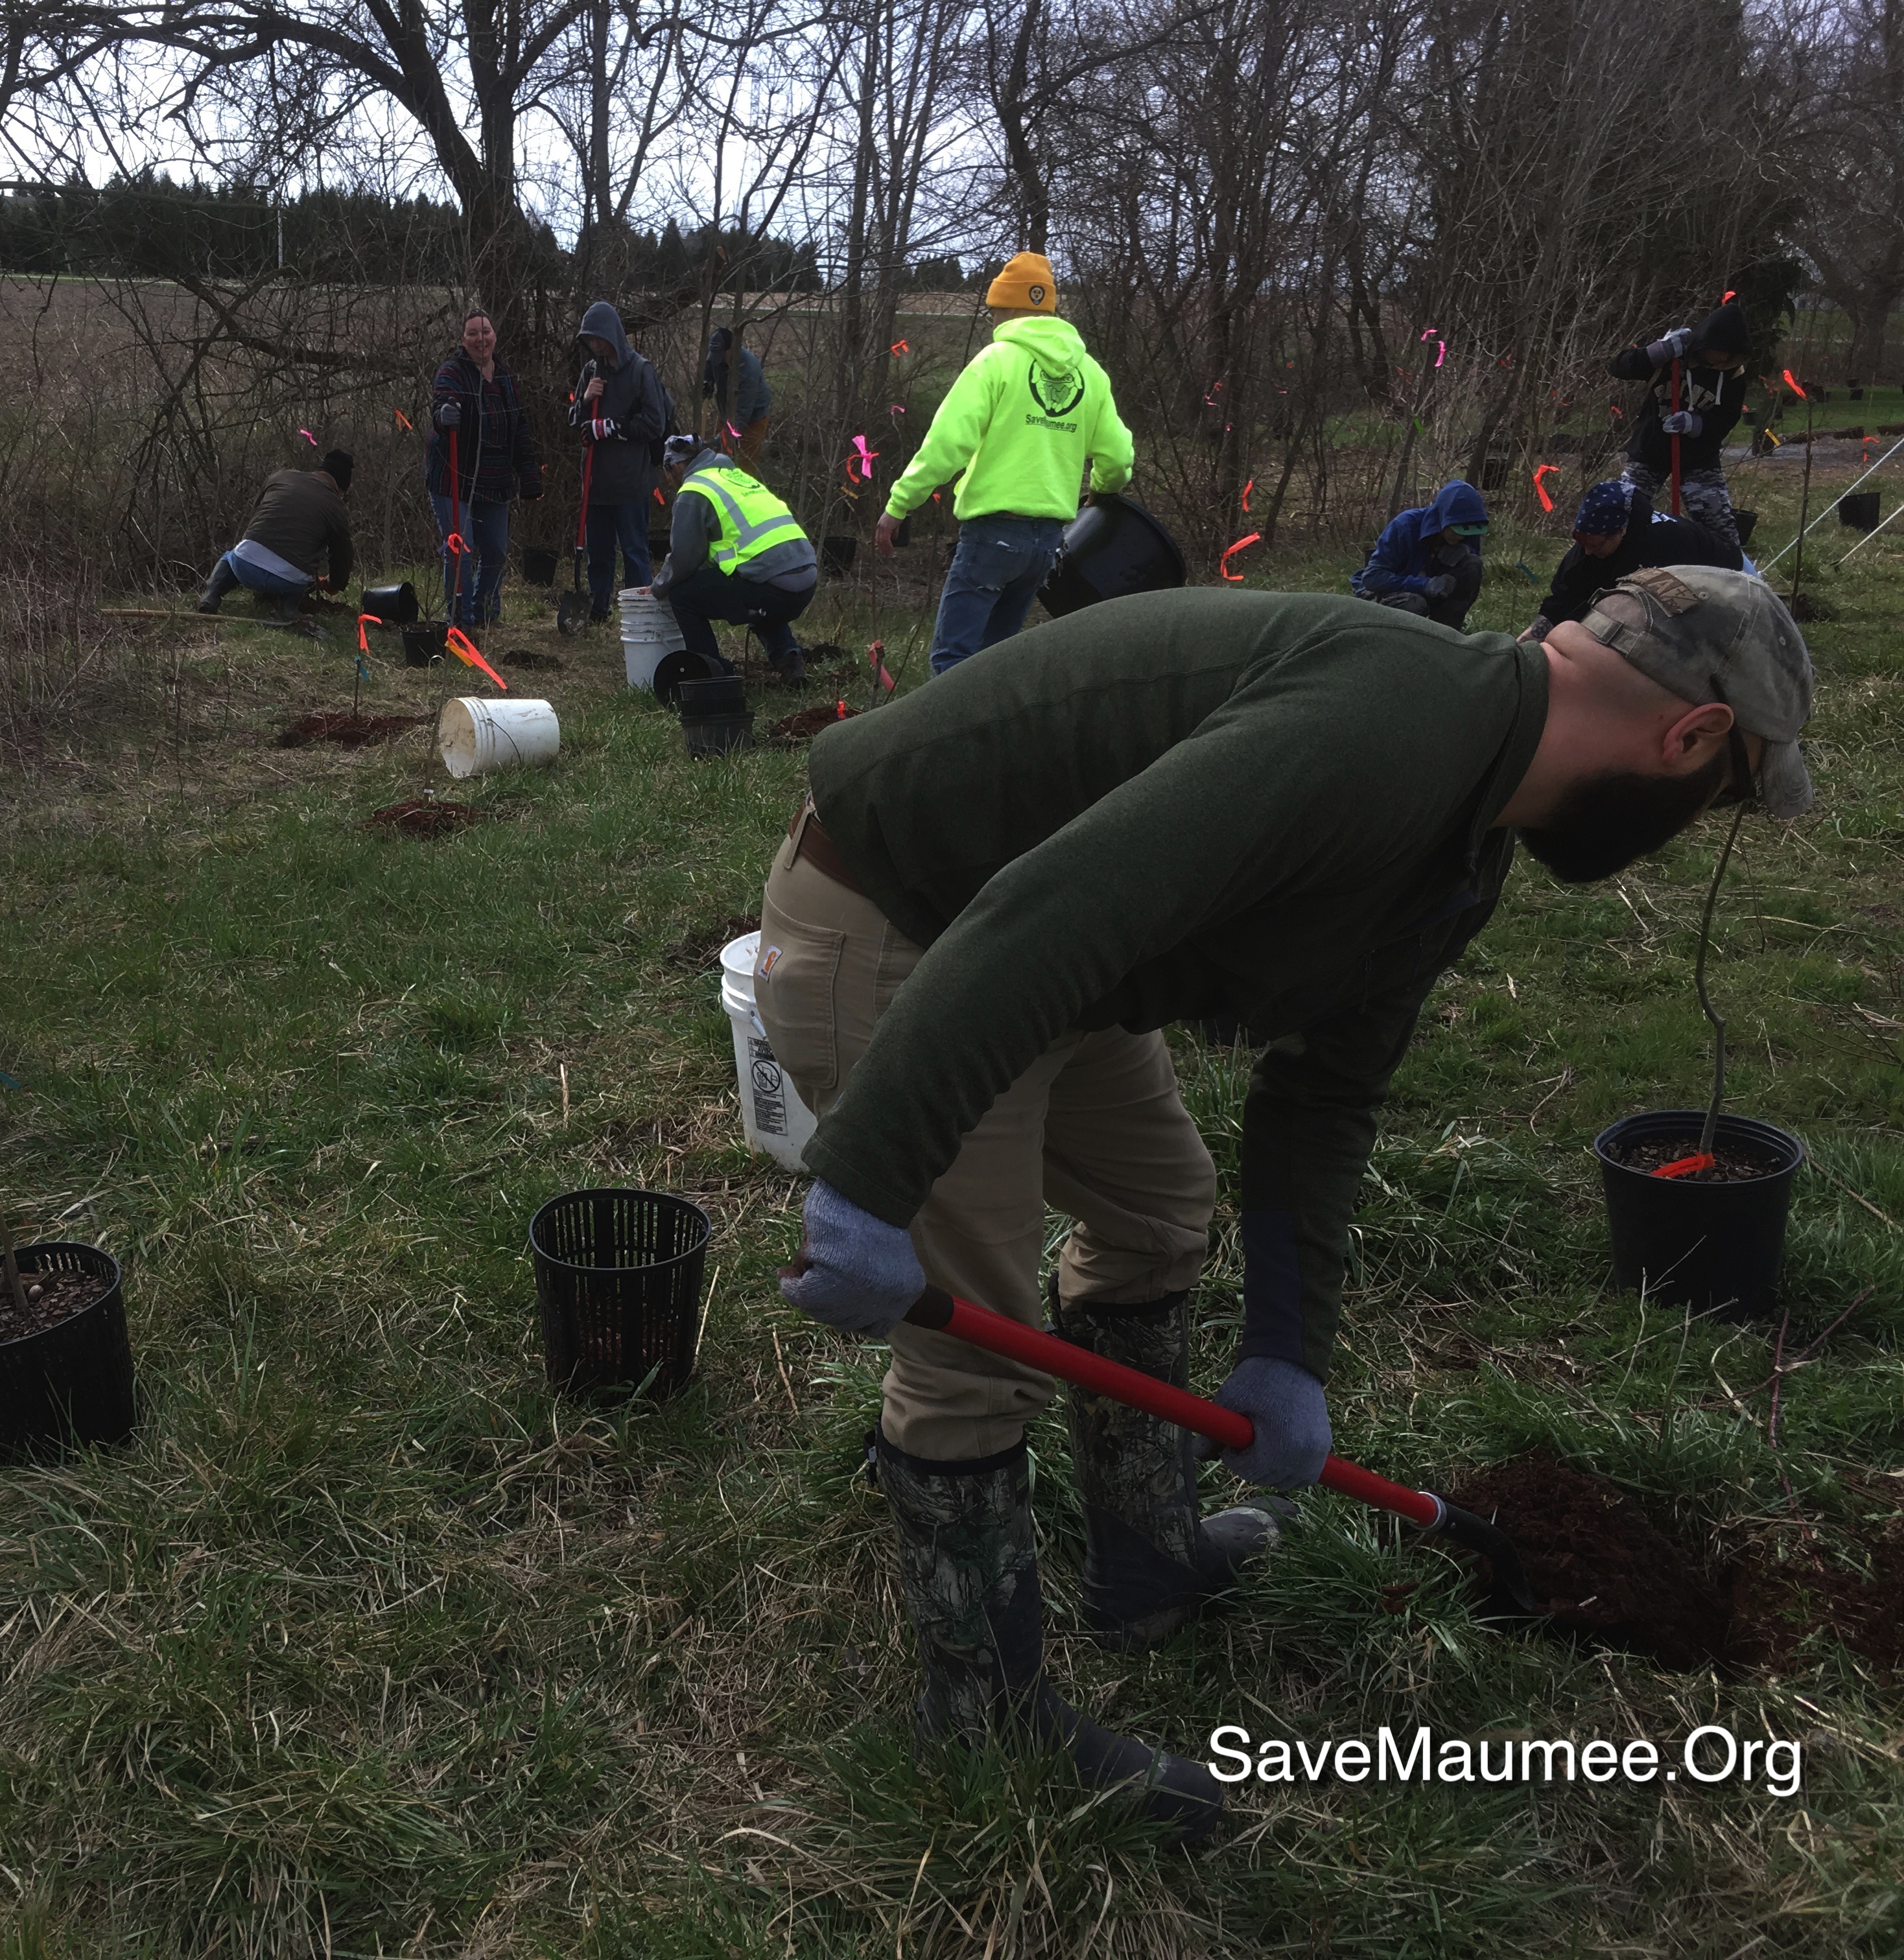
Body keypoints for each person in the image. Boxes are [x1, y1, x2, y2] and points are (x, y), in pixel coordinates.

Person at [760, 569, 1812, 1844]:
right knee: (971, 1344)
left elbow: (1326, 1094)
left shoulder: (1466, 828)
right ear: (1692, 741)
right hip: (907, 922)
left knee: (1158, 1203)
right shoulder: (1392, 725)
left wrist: (1284, 1355)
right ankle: (980, 1718)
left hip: (1041, 957)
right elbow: (1059, 905)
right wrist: (873, 1180)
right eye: (1724, 798)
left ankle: (1145, 1557)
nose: (1697, 819)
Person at [876, 252, 1133, 675]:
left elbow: (947, 444)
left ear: (1011, 308)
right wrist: (1101, 491)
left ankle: (953, 738)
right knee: (998, 662)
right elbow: (1119, 458)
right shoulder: (1090, 374)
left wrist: (899, 505)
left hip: (992, 535)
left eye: (996, 311)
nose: (994, 321)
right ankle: (997, 736)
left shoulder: (995, 363)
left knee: (953, 660)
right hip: (1047, 542)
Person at [647, 433, 819, 683]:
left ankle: (711, 673)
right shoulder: (735, 477)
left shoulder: (694, 490)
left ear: (673, 467)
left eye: (668, 473)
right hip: (806, 581)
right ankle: (788, 659)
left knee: (683, 596)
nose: (669, 480)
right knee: (757, 589)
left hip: (771, 586)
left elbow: (684, 559)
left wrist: (657, 587)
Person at [429, 312, 543, 628]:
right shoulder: (452, 372)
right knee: (461, 550)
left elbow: (519, 428)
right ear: (463, 340)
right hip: (454, 477)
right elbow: (441, 404)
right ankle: (460, 619)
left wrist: (529, 474)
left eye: (486, 332)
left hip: (496, 480)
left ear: (495, 335)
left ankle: (486, 614)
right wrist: (445, 415)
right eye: (473, 334)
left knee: (495, 550)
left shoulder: (506, 377)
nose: (481, 339)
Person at [1529, 479, 1743, 636]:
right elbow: (1562, 602)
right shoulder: (1587, 549)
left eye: (1595, 545)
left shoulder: (1664, 546)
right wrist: (1526, 643)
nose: (1587, 552)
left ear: (1620, 531)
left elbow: (1681, 614)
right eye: (1581, 542)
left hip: (1730, 580)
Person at [566, 300, 670, 625]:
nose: (596, 345)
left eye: (599, 338)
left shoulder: (641, 371)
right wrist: (585, 402)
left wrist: (611, 427)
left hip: (631, 481)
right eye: (590, 339)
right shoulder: (591, 372)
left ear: (613, 335)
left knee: (635, 550)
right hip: (596, 483)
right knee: (599, 553)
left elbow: (656, 422)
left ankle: (639, 612)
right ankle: (598, 610)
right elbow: (575, 424)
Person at [1612, 299, 1749, 535]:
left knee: (1720, 528)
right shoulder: (1672, 355)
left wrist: (1696, 424)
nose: (1722, 359)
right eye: (1719, 351)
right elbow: (1619, 367)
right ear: (1707, 342)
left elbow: (1727, 418)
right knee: (1622, 516)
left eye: (1729, 355)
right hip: (1650, 449)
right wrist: (1657, 352)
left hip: (1699, 457)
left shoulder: (1733, 375)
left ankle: (1727, 568)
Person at [194, 452, 355, 620]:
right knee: (298, 573)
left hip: (245, 566)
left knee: (231, 558)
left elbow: (257, 514)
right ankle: (289, 610)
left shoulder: (281, 477)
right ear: (341, 487)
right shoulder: (337, 507)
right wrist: (334, 584)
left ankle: (211, 596)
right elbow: (343, 555)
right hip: (288, 582)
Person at [1350, 478, 1488, 629]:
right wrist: (1424, 584)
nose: (1461, 537)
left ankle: (1447, 632)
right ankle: (1399, 640)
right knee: (1415, 604)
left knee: (1472, 565)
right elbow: (1372, 579)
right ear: (1443, 518)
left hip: (1435, 596)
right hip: (1390, 594)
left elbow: (1469, 575)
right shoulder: (1405, 526)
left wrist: (1464, 554)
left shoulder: (1470, 532)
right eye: (1457, 531)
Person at [699, 327, 772, 469]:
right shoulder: (715, 355)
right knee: (716, 459)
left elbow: (743, 412)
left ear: (732, 349)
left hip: (752, 419)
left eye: (721, 356)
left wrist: (725, 436)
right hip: (726, 410)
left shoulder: (749, 368)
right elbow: (709, 366)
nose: (718, 360)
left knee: (745, 466)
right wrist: (707, 382)